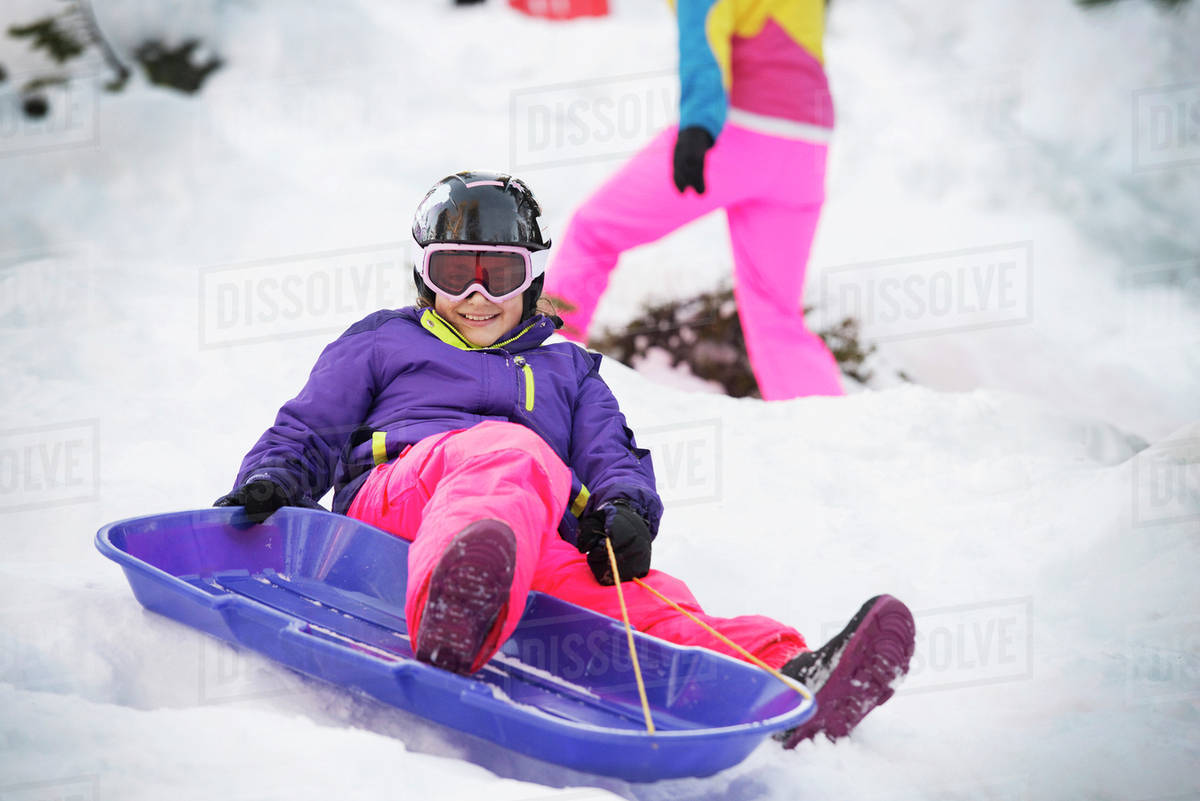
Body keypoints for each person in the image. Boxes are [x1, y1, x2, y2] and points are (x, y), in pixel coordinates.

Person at [215, 171, 913, 745]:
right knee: (509, 451)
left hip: (514, 546)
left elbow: (614, 456)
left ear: (534, 277)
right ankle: (450, 614)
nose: (478, 296)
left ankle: (787, 679)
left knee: (652, 603)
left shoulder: (570, 372)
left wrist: (624, 512)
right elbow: (309, 426)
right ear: (425, 277)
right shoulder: (384, 342)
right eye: (456, 273)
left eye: (500, 274)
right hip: (400, 505)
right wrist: (271, 481)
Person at [543, 0, 842, 400]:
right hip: (807, 144)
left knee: (593, 231)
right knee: (775, 310)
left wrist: (699, 127)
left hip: (734, 133)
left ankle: (543, 367)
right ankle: (829, 426)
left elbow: (703, 32)